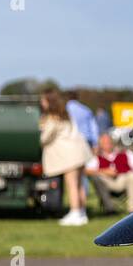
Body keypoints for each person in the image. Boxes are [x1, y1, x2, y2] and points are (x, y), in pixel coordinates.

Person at [38, 89, 93, 226]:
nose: (41, 102)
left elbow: (45, 138)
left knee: (72, 185)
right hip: (80, 151)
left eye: (43, 100)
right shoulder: (65, 114)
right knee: (79, 184)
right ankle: (82, 212)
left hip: (69, 155)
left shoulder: (52, 117)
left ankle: (75, 212)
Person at [85, 131, 133, 214]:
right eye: (104, 143)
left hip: (123, 180)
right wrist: (104, 171)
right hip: (106, 182)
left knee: (132, 176)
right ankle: (109, 209)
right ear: (100, 145)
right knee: (97, 177)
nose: (107, 144)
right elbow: (86, 170)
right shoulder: (96, 158)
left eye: (109, 142)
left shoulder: (125, 153)